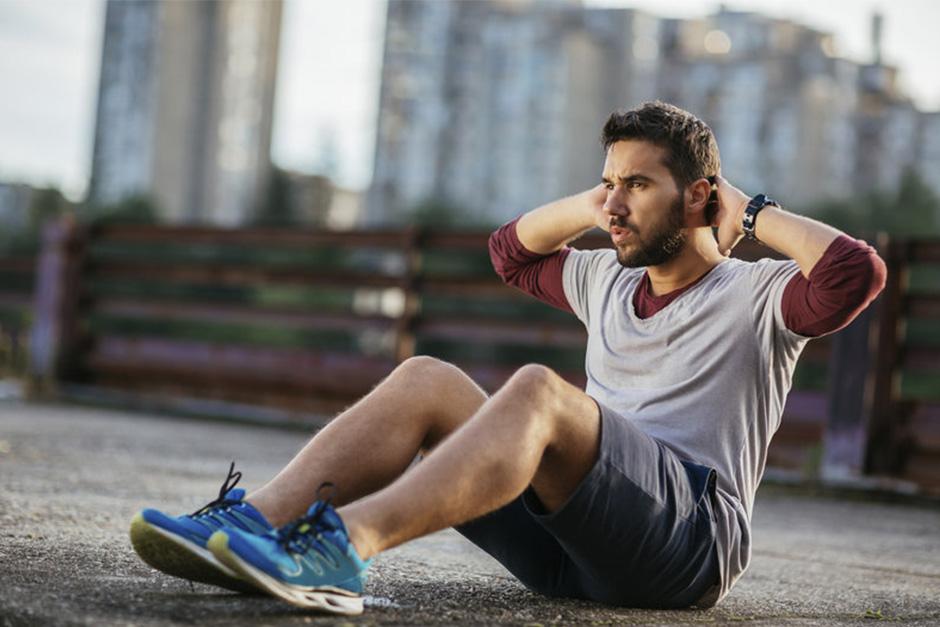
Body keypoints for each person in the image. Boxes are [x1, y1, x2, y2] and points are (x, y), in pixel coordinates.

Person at [129, 101, 886, 615]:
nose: (614, 205)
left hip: (687, 547)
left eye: (639, 185)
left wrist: (749, 213)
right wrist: (601, 204)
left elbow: (856, 274)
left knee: (538, 392)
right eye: (608, 183)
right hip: (574, 551)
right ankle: (253, 524)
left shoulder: (757, 297)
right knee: (429, 377)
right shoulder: (604, 277)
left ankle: (340, 548)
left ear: (699, 197)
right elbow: (510, 252)